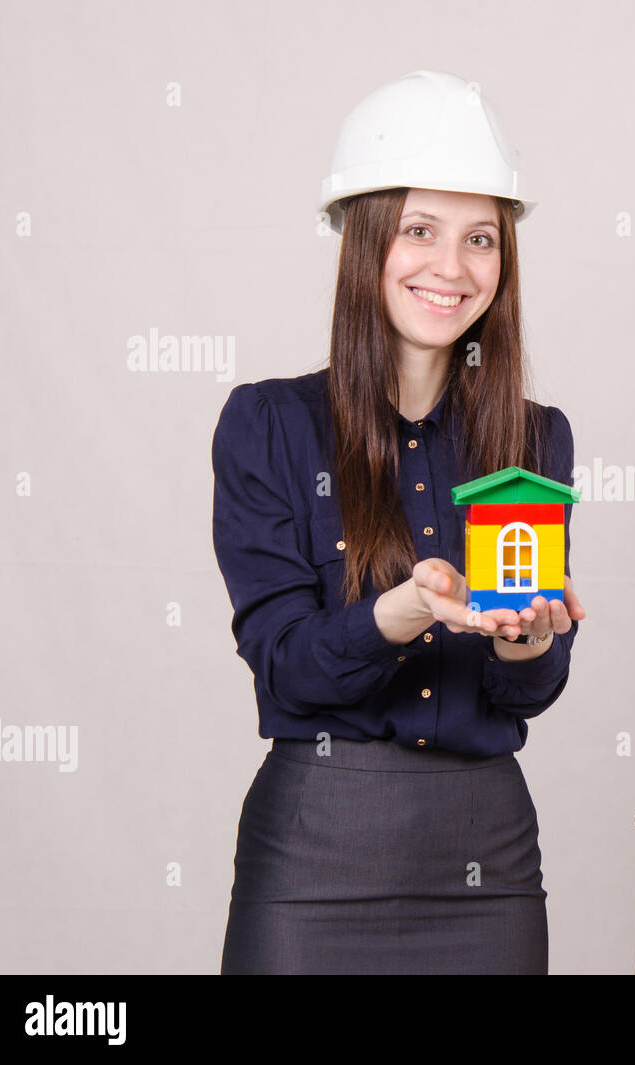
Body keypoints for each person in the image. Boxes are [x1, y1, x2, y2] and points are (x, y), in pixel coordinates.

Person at [210, 70, 584, 974]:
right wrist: (404, 609)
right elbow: (285, 663)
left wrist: (529, 638)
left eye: (480, 239)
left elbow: (525, 692)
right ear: (364, 240)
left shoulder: (533, 439)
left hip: (486, 859)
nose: (451, 268)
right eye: (420, 231)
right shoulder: (268, 423)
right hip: (315, 853)